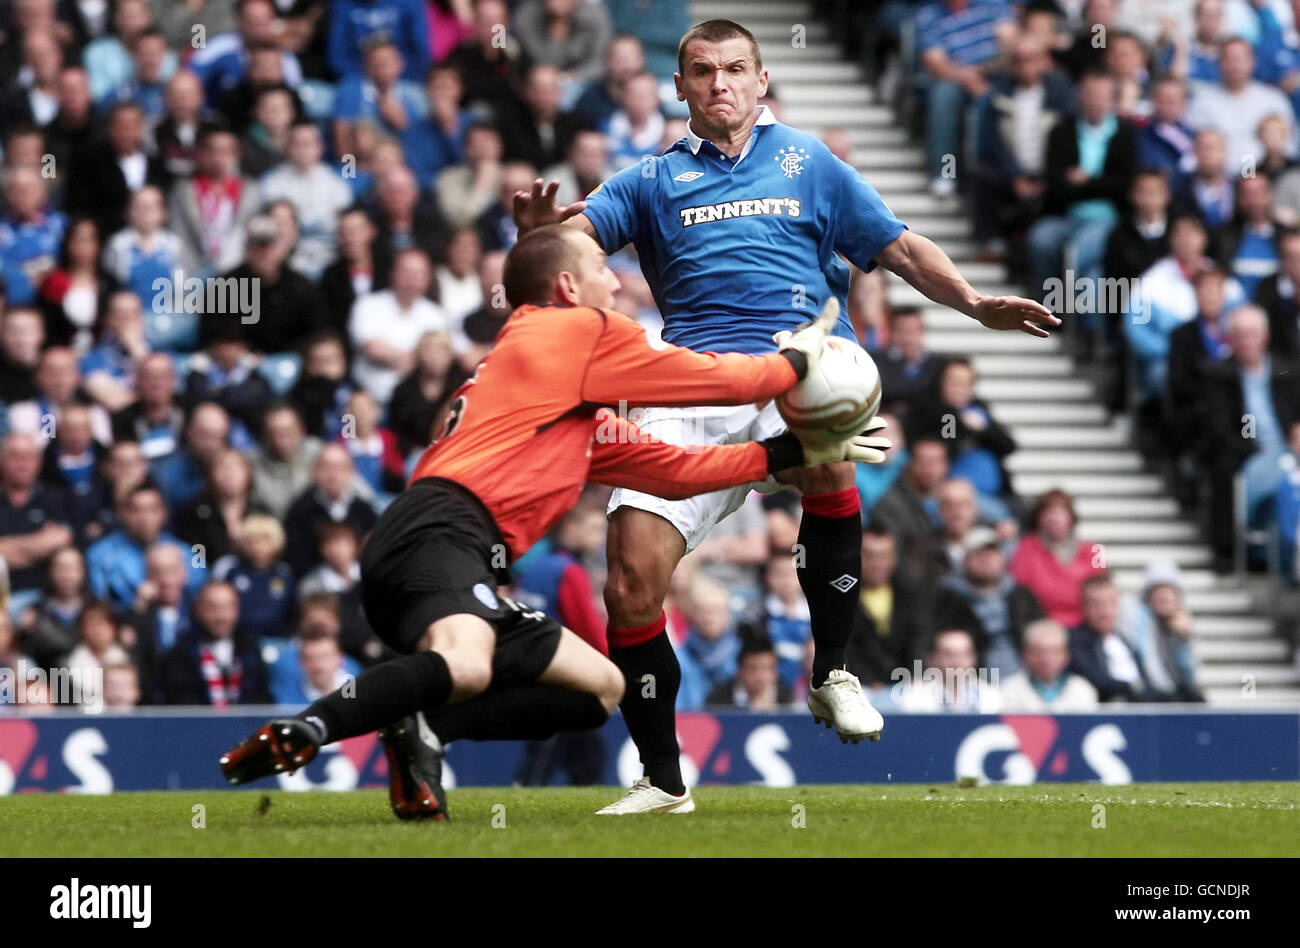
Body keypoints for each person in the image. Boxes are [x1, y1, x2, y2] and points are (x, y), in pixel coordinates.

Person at [512, 18, 1057, 814]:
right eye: (702, 71)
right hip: (690, 384)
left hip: (796, 363)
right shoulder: (649, 181)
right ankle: (664, 780)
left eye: (736, 69)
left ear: (761, 80)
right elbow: (572, 249)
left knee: (831, 427)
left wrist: (973, 303)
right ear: (681, 86)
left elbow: (898, 247)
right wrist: (540, 242)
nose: (719, 84)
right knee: (628, 579)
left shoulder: (810, 161)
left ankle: (833, 671)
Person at [218, 223, 890, 821]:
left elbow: (673, 468)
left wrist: (788, 453)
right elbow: (709, 379)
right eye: (604, 270)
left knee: (598, 688)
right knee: (469, 663)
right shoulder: (576, 329)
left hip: (444, 549)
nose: (618, 285)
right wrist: (793, 364)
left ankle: (424, 726)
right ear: (570, 287)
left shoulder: (553, 389)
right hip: (443, 530)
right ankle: (306, 728)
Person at [998, 619, 1100, 711]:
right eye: (1039, 652)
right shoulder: (1008, 689)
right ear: (1025, 654)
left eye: (1054, 651)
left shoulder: (1083, 689)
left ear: (1066, 654)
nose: (1047, 659)